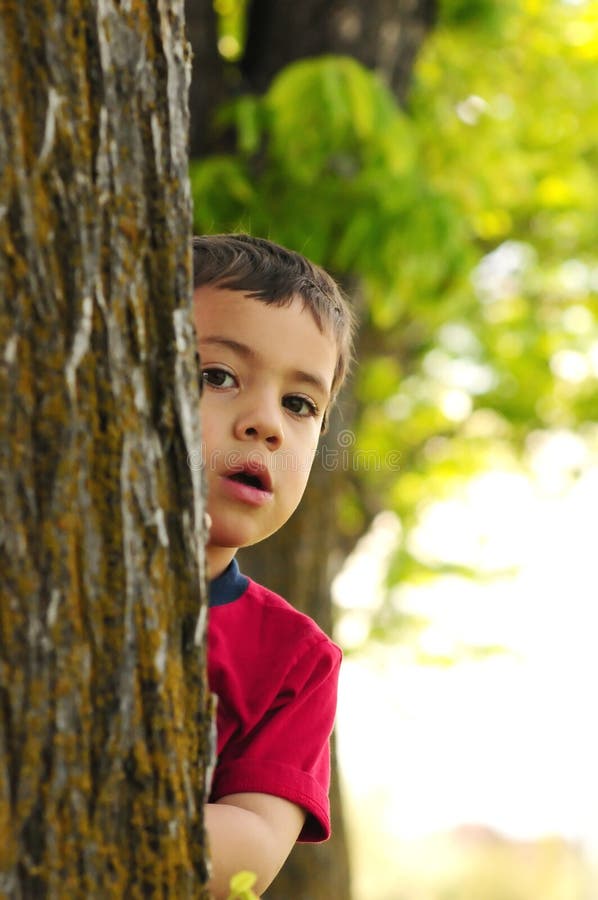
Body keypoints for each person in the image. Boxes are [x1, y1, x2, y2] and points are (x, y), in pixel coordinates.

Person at [192, 234, 354, 898]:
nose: (265, 424)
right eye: (218, 376)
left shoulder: (297, 660)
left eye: (300, 404)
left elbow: (252, 850)